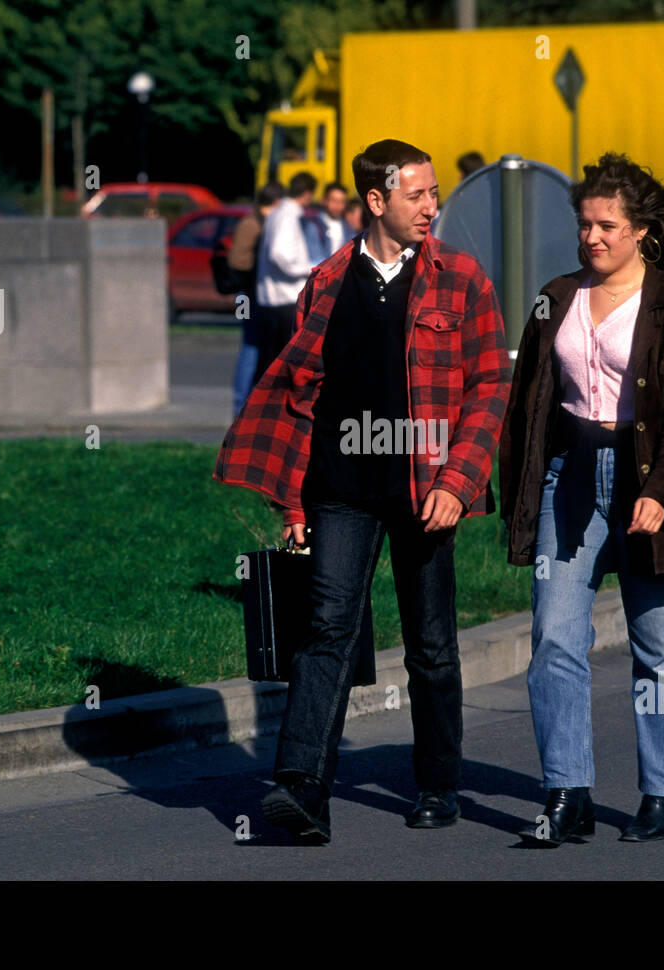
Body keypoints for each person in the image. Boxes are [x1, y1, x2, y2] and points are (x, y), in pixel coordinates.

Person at [214, 139, 511, 843]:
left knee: (430, 645)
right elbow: (302, 395)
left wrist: (459, 479)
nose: (433, 207)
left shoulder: (462, 279)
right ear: (376, 201)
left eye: (435, 193)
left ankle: (438, 783)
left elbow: (491, 384)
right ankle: (302, 788)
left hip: (425, 488)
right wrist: (292, 502)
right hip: (340, 488)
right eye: (419, 195)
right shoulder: (326, 280)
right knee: (326, 632)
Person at [499, 151, 664, 847]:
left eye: (606, 226)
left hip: (649, 482)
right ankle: (566, 792)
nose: (591, 237)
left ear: (640, 233)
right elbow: (528, 404)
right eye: (585, 225)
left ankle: (663, 795)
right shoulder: (555, 296)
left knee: (659, 647)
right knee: (554, 640)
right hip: (570, 480)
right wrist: (517, 492)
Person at [227, 181, 284, 416]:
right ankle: (241, 405)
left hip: (259, 292)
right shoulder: (252, 224)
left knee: (261, 345)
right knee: (251, 345)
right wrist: (262, 265)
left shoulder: (264, 222)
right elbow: (238, 260)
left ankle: (253, 403)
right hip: (249, 294)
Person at [255, 172, 317, 383]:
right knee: (282, 364)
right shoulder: (288, 215)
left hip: (274, 297)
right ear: (308, 194)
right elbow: (278, 253)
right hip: (284, 297)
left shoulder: (277, 212)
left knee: (271, 361)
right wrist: (306, 269)